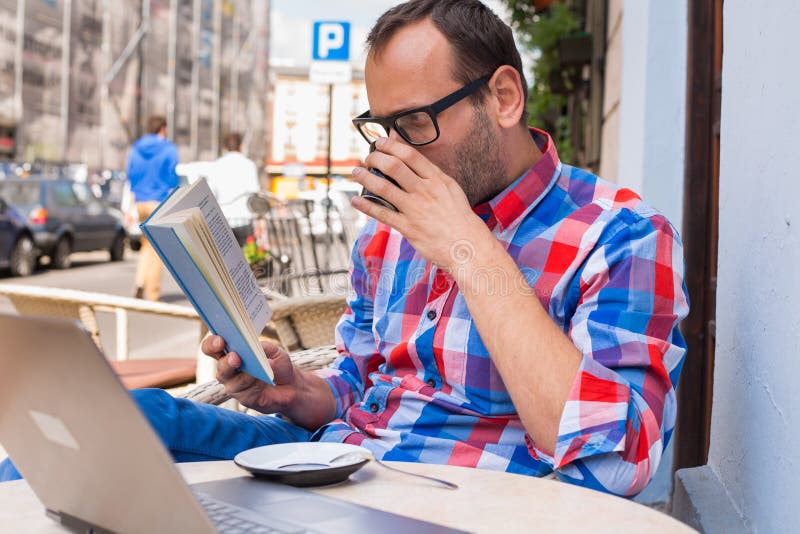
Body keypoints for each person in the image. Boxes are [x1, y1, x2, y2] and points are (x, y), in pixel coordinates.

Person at [0, 0, 689, 497]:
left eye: (415, 122)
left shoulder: (621, 235)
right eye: (381, 126)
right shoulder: (388, 235)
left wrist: (470, 249)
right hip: (335, 464)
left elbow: (612, 463)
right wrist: (293, 389)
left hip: (462, 499)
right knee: (100, 419)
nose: (391, 152)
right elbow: (359, 390)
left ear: (503, 96)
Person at [128, 115, 179, 301]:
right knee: (157, 247)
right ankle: (153, 292)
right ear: (163, 129)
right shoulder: (169, 149)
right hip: (159, 201)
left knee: (146, 244)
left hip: (141, 202)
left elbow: (131, 175)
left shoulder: (136, 148)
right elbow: (172, 177)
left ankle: (140, 281)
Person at [205, 132, 261, 246]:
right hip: (244, 220)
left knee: (226, 261)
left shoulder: (216, 166)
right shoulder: (249, 165)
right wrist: (259, 221)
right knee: (248, 259)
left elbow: (211, 193)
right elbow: (254, 195)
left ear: (225, 147)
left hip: (223, 221)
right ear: (241, 146)